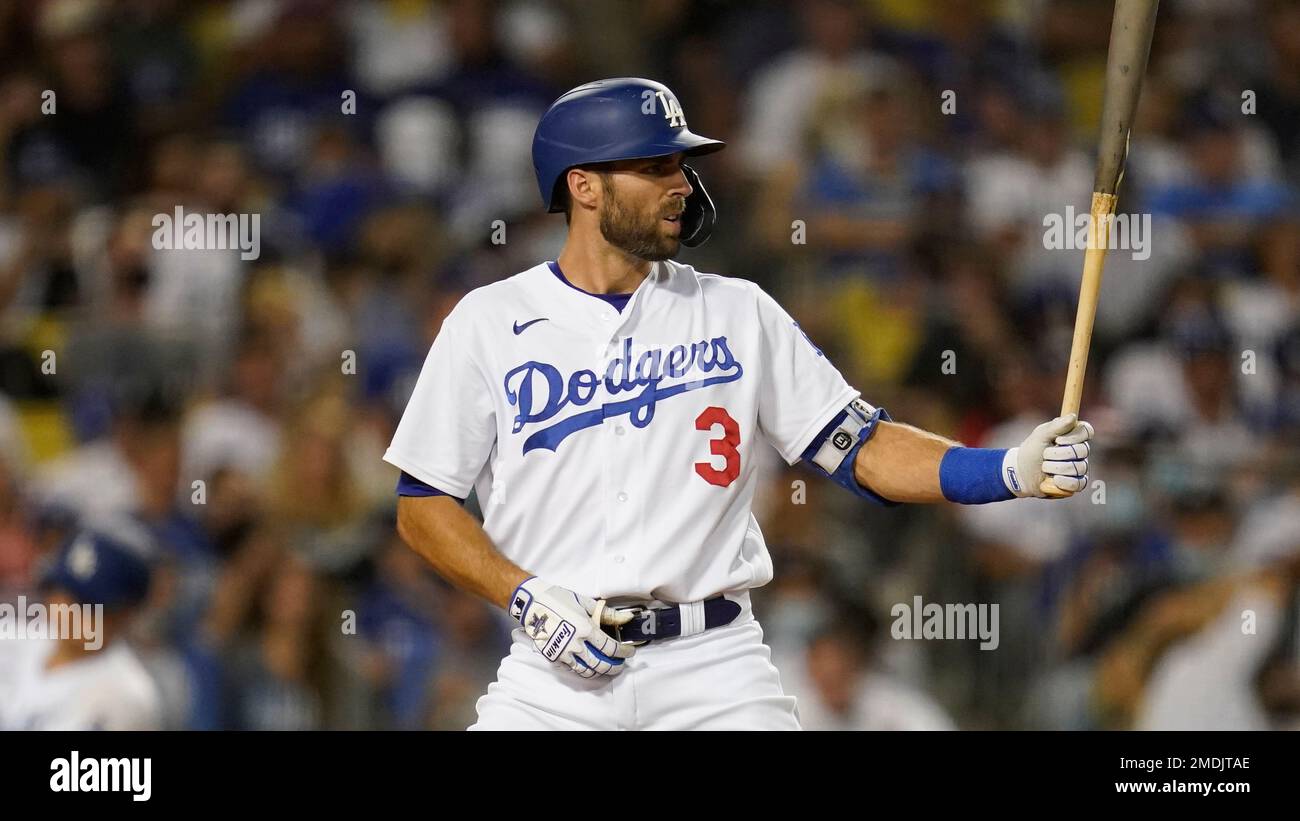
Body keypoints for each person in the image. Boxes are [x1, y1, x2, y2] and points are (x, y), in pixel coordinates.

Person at [384, 78, 1094, 730]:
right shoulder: (488, 321)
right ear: (585, 186)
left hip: (714, 665)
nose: (681, 185)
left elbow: (863, 448)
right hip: (553, 672)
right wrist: (521, 595)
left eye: (679, 165)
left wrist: (1008, 469)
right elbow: (421, 505)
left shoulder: (736, 311)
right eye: (656, 166)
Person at [0, 521, 162, 730]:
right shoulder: (10, 638)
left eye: (86, 604)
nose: (67, 609)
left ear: (125, 614)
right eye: (63, 591)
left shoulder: (129, 697)